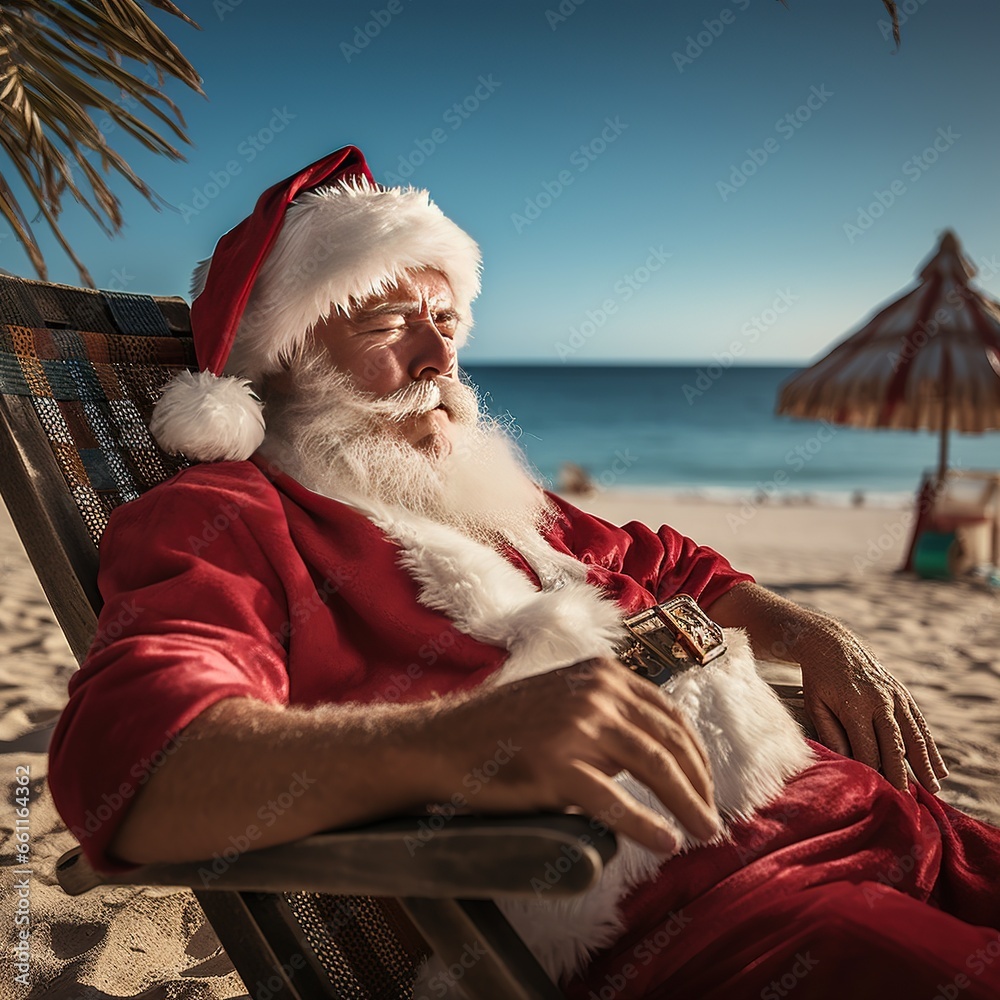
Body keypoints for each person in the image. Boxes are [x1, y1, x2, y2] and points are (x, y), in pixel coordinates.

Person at [48, 146, 1000, 999]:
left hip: (876, 820)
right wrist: (471, 740)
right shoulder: (231, 521)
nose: (441, 354)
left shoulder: (475, 492)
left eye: (448, 319)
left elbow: (672, 563)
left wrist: (812, 636)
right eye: (389, 326)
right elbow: (129, 766)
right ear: (284, 356)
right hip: (717, 917)